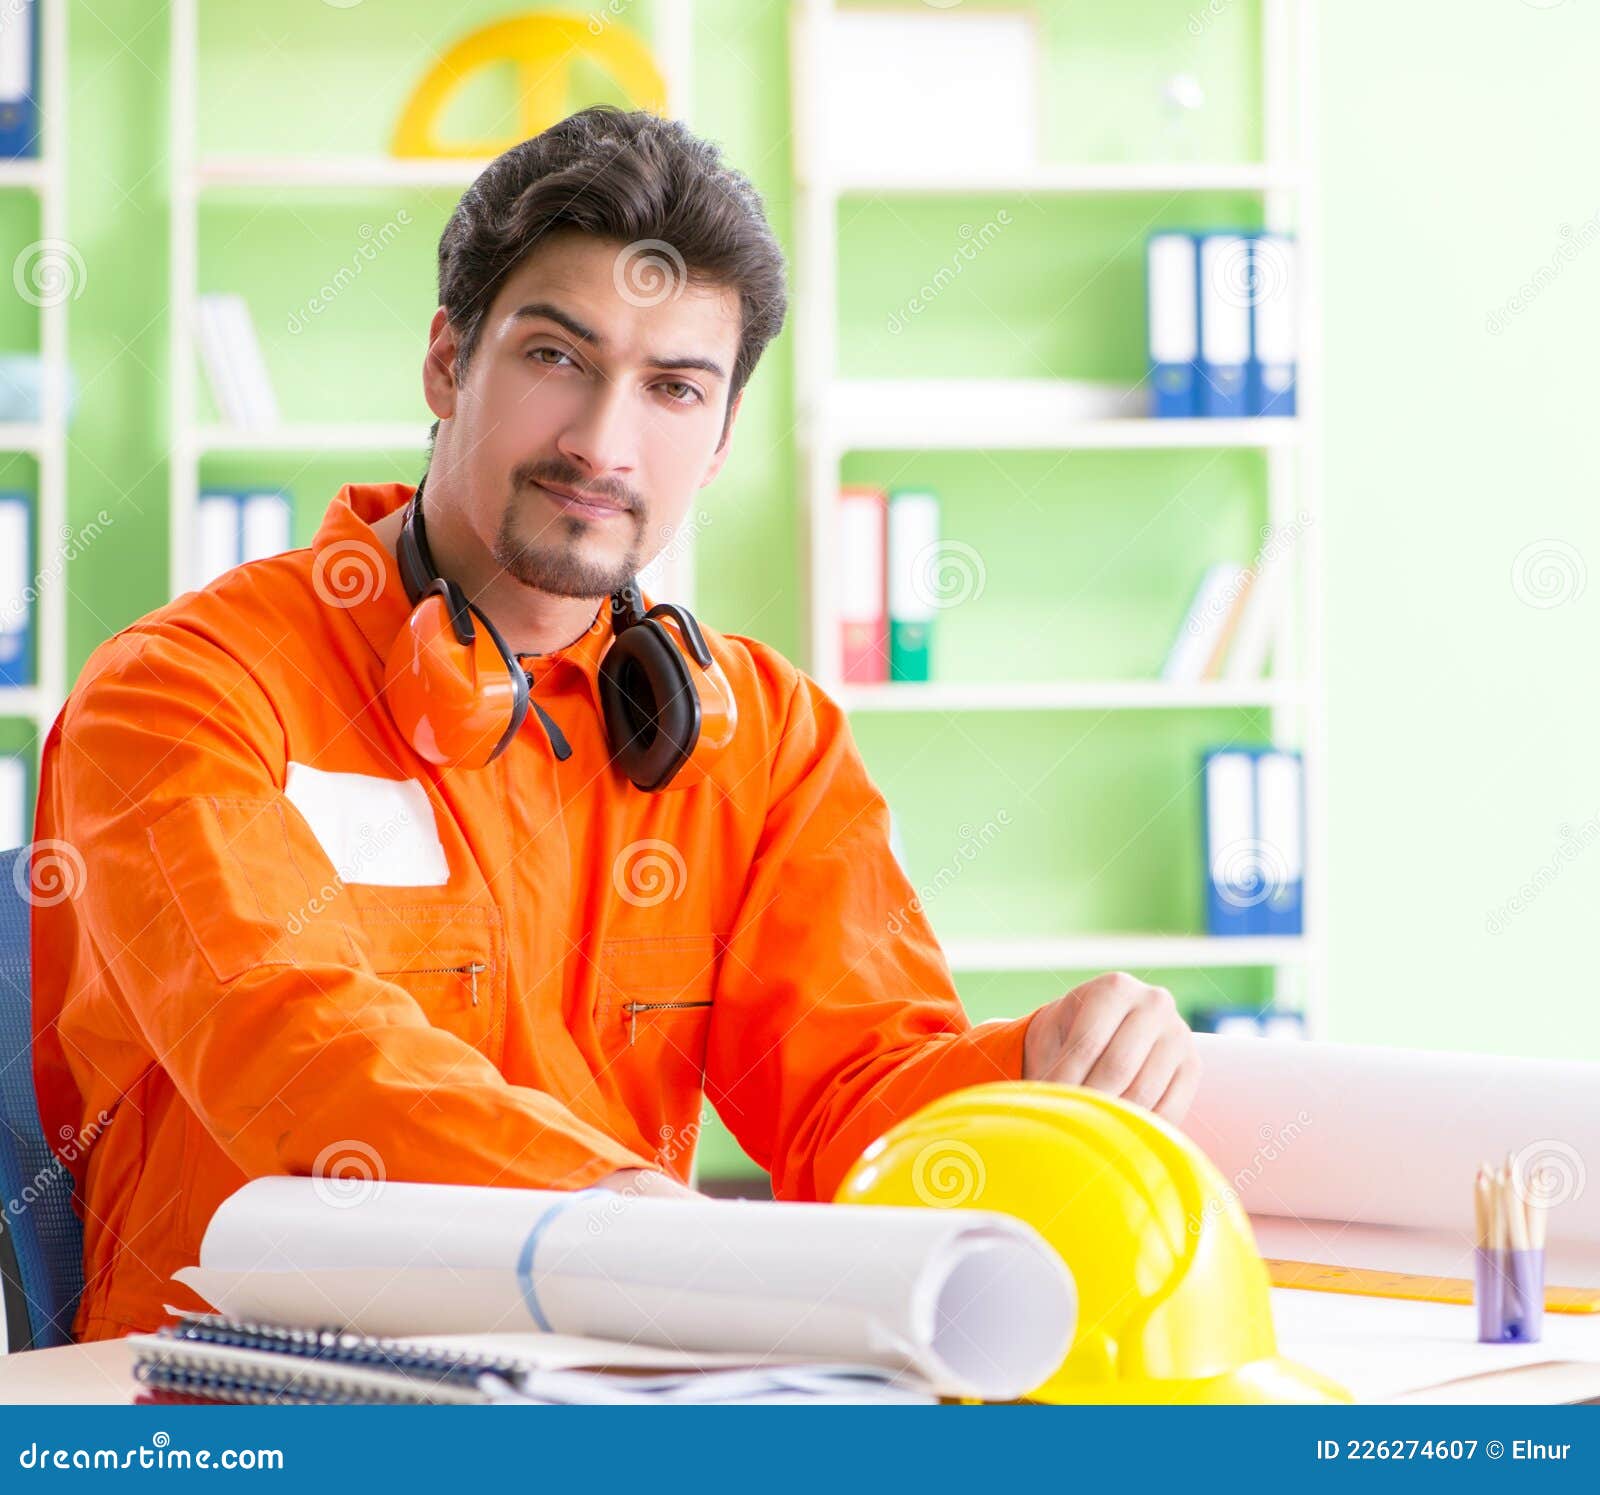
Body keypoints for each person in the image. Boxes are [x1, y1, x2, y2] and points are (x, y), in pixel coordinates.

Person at [29, 106, 1198, 1342]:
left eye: (673, 388)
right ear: (446, 362)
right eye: (555, 358)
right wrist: (625, 1214)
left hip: (615, 1372)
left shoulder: (763, 734)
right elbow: (287, 1044)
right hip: (241, 1399)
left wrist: (1035, 1070)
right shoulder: (184, 693)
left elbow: (850, 1106)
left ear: (721, 435)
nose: (602, 442)